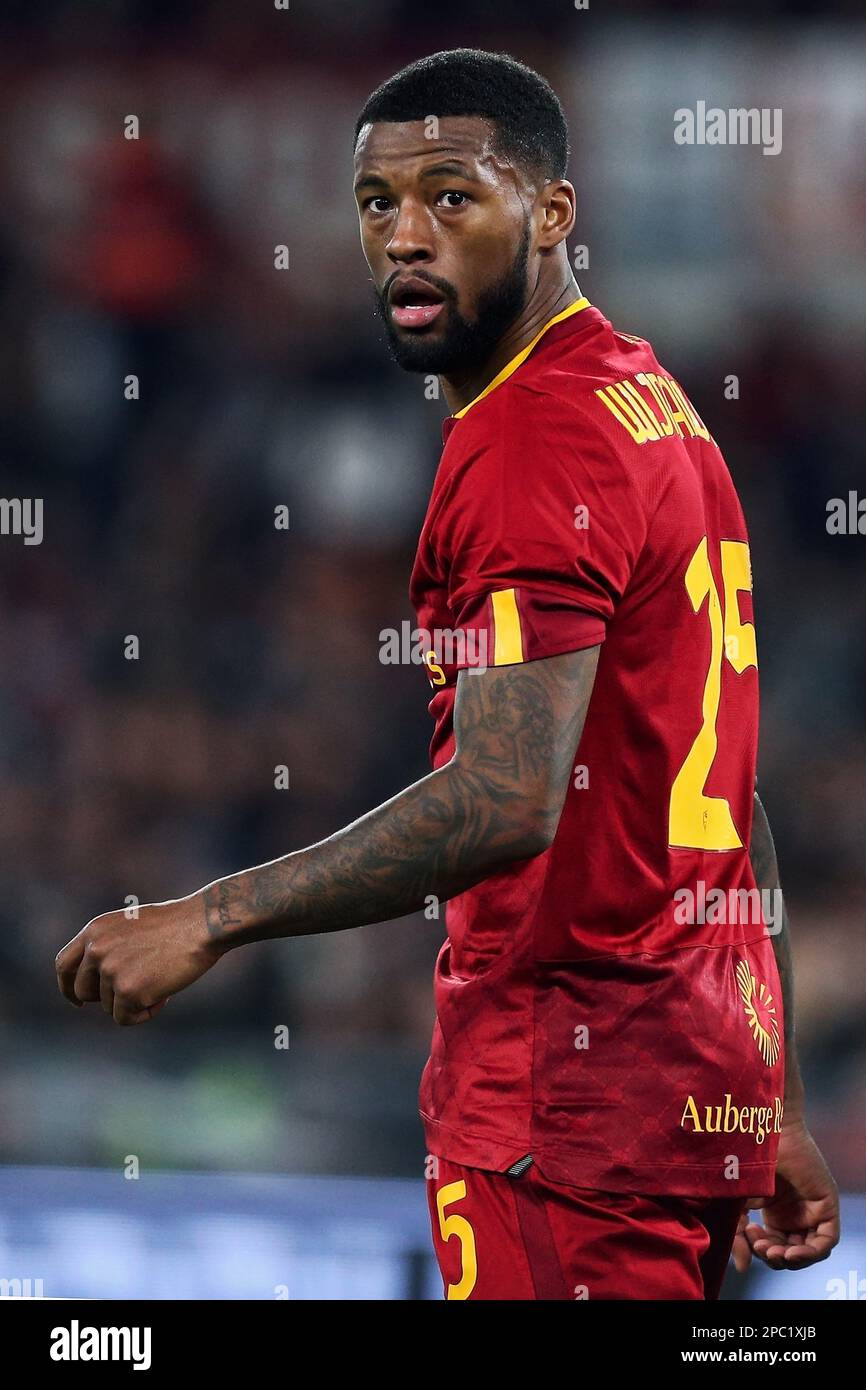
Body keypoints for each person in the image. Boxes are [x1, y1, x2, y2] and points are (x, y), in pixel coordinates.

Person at [56, 48, 839, 1300]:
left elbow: (502, 796)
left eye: (451, 197)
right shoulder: (656, 407)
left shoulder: (530, 440)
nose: (406, 237)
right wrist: (770, 1101)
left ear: (552, 214)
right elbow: (729, 800)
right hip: (690, 1112)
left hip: (559, 1132)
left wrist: (207, 915)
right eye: (378, 205)